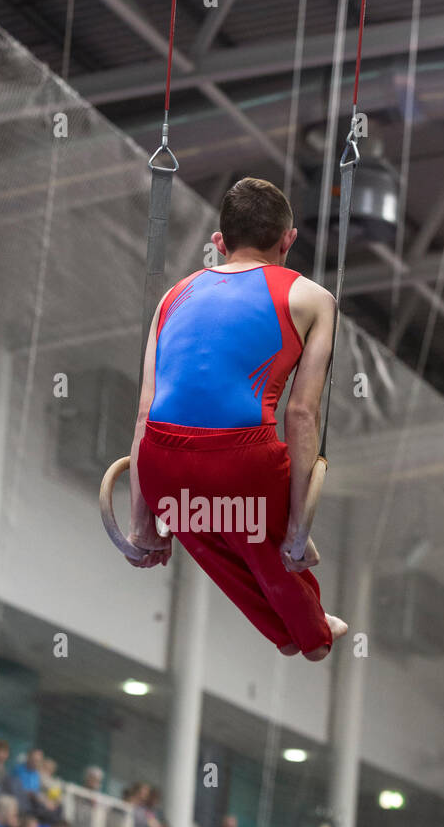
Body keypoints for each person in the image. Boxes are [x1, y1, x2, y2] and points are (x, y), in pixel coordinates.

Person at [128, 177, 348, 661]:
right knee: (264, 540)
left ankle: (292, 630)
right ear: (289, 240)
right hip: (240, 462)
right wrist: (297, 528)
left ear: (219, 244)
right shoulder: (313, 299)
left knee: (216, 532)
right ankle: (311, 630)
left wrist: (144, 523)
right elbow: (301, 414)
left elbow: (145, 411)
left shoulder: (171, 297)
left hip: (163, 467)